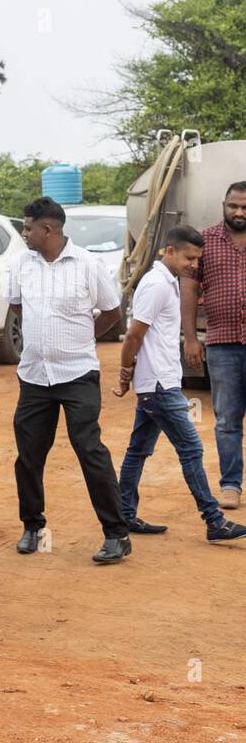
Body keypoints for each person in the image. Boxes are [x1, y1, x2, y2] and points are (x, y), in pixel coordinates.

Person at [8, 196, 129, 563]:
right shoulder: (22, 264)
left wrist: (83, 336)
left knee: (90, 450)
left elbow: (112, 311)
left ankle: (116, 534)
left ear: (48, 230)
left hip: (77, 374)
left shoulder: (88, 264)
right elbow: (17, 305)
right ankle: (33, 526)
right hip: (34, 376)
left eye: (28, 227)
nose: (24, 233)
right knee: (28, 457)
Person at [114, 226, 246, 541]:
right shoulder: (156, 284)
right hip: (159, 385)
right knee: (191, 448)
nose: (194, 265)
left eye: (198, 259)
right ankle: (214, 521)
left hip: (159, 382)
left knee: (138, 450)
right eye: (189, 257)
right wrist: (123, 372)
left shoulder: (167, 282)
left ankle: (124, 516)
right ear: (169, 251)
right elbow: (134, 333)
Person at [181, 181, 246, 511]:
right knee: (227, 420)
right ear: (223, 204)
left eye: (245, 208)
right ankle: (231, 485)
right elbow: (189, 290)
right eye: (233, 205)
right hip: (222, 344)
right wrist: (191, 338)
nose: (238, 212)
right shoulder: (204, 242)